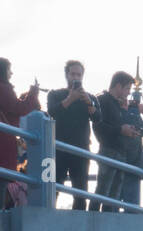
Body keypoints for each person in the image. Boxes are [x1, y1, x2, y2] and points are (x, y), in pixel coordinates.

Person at [46, 60, 98, 210]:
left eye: (79, 74)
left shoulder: (90, 98)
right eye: (73, 74)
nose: (75, 77)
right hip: (57, 149)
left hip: (81, 150)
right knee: (52, 188)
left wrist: (89, 103)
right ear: (66, 75)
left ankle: (80, 225)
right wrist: (70, 99)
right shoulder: (55, 94)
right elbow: (52, 112)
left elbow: (98, 118)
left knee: (81, 192)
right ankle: (49, 220)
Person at [89, 71, 137, 212]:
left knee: (113, 196)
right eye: (127, 88)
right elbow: (98, 126)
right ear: (118, 86)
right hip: (108, 151)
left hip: (119, 152)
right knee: (103, 191)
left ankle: (106, 222)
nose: (128, 93)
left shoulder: (117, 104)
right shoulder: (102, 100)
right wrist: (120, 130)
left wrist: (128, 130)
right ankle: (93, 218)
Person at [0, 59, 39, 201]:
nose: (11, 73)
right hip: (3, 144)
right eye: (9, 69)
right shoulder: (3, 88)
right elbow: (20, 109)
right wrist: (33, 93)